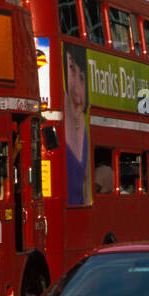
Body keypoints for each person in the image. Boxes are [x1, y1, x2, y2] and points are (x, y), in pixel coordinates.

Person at [64, 45, 90, 205]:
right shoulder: (52, 115)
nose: (76, 86)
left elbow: (88, 194)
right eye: (71, 68)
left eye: (81, 77)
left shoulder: (85, 127)